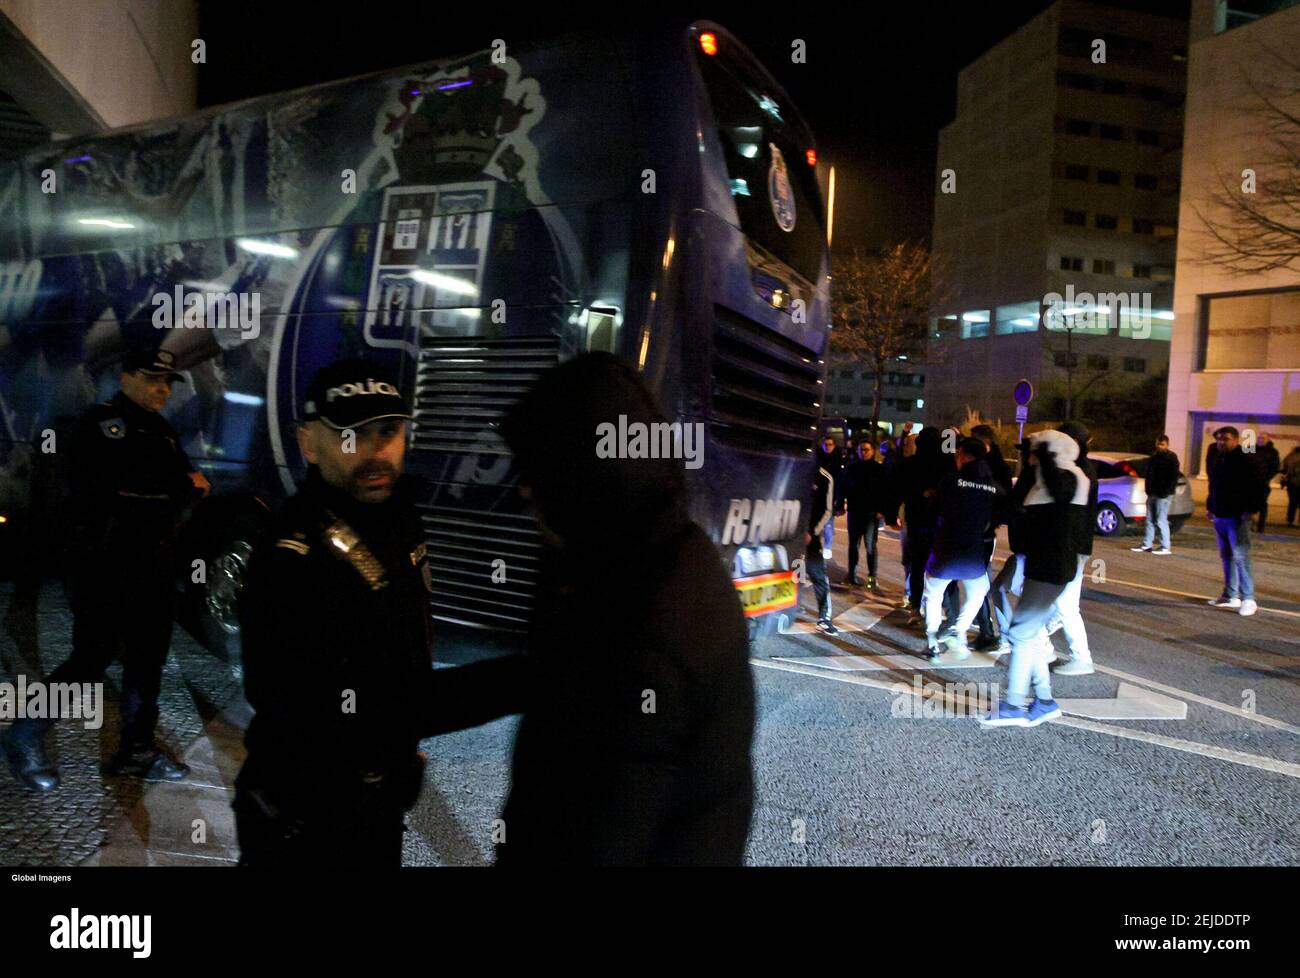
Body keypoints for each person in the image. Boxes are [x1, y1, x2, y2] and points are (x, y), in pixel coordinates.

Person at [233, 359, 529, 867]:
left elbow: (403, 644)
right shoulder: (293, 558)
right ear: (308, 444)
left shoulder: (398, 517)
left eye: (388, 431)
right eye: (350, 434)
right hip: (303, 818)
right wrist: (523, 678)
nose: (374, 450)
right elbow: (340, 708)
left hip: (377, 799)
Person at [496, 353, 755, 864]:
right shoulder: (656, 549)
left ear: (583, 472)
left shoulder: (643, 622)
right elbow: (551, 672)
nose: (525, 488)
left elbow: (599, 830)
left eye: (538, 469)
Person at [2, 348, 210, 792]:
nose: (162, 388)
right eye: (153, 378)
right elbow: (117, 493)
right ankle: (24, 734)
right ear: (126, 377)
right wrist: (175, 489)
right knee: (89, 659)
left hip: (153, 565)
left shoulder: (160, 429)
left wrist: (176, 489)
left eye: (169, 381)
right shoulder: (102, 425)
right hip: (106, 564)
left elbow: (182, 483)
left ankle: (135, 751)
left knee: (146, 661)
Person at [980, 429, 1091, 728]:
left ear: (1052, 453)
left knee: (1021, 632)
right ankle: (1043, 701)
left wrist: (1043, 455)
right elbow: (1015, 506)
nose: (1026, 456)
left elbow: (1059, 493)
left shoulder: (1070, 477)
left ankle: (1016, 704)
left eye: (1032, 451)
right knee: (1025, 634)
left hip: (1052, 567)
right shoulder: (1046, 479)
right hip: (1042, 565)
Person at [921, 438, 1001, 663]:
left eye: (958, 454)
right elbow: (1003, 510)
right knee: (980, 590)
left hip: (945, 551)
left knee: (933, 595)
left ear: (964, 456)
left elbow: (932, 510)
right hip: (973, 554)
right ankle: (959, 628)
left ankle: (932, 644)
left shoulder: (950, 481)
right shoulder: (992, 486)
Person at [1205, 426, 1266, 616]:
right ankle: (1230, 595)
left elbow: (1258, 486)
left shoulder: (1246, 459)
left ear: (1236, 440)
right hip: (1220, 514)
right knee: (1227, 557)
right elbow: (1213, 485)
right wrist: (1210, 506)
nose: (1221, 442)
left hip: (1238, 515)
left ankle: (1248, 598)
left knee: (1241, 556)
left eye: (1226, 438)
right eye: (1219, 439)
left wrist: (1252, 509)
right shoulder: (1217, 459)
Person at [969, 424, 1013, 650]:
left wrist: (991, 522)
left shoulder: (995, 469)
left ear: (986, 444)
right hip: (977, 530)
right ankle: (983, 624)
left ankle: (988, 630)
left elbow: (1003, 499)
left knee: (978, 581)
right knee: (978, 581)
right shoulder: (982, 466)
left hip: (983, 532)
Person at [843, 441, 886, 588]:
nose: (864, 452)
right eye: (861, 449)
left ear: (873, 451)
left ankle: (872, 577)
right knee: (853, 545)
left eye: (867, 449)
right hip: (854, 511)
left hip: (871, 514)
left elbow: (885, 491)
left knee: (870, 546)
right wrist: (840, 504)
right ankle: (851, 575)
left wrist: (881, 510)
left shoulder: (879, 469)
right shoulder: (852, 468)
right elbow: (844, 487)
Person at [1132, 434, 1179, 555]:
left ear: (1167, 445)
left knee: (1161, 520)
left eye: (1162, 444)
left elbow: (1173, 477)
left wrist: (1166, 491)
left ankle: (1165, 546)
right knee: (1149, 520)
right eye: (1158, 443)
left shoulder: (1172, 459)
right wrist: (1148, 489)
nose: (1159, 446)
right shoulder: (1154, 458)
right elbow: (1149, 474)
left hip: (1163, 495)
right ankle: (1147, 544)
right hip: (1152, 493)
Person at [818, 436, 842, 558]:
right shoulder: (818, 458)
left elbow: (839, 481)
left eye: (830, 444)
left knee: (828, 524)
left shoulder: (837, 461)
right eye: (826, 444)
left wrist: (839, 500)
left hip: (831, 497)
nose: (828, 447)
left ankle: (827, 547)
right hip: (818, 496)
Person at [1255, 433, 1281, 532]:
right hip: (1250, 483)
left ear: (1268, 440)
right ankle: (1248, 524)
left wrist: (1266, 478)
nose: (1260, 440)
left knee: (1262, 505)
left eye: (1263, 438)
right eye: (1259, 438)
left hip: (1263, 483)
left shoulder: (1273, 452)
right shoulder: (1251, 449)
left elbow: (1275, 467)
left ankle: (1261, 526)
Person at [1283, 444, 1300, 526]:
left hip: (1292, 483)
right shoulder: (1291, 455)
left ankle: (1290, 520)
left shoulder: (1290, 455)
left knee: (1292, 502)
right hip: (1294, 482)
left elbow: (1284, 467)